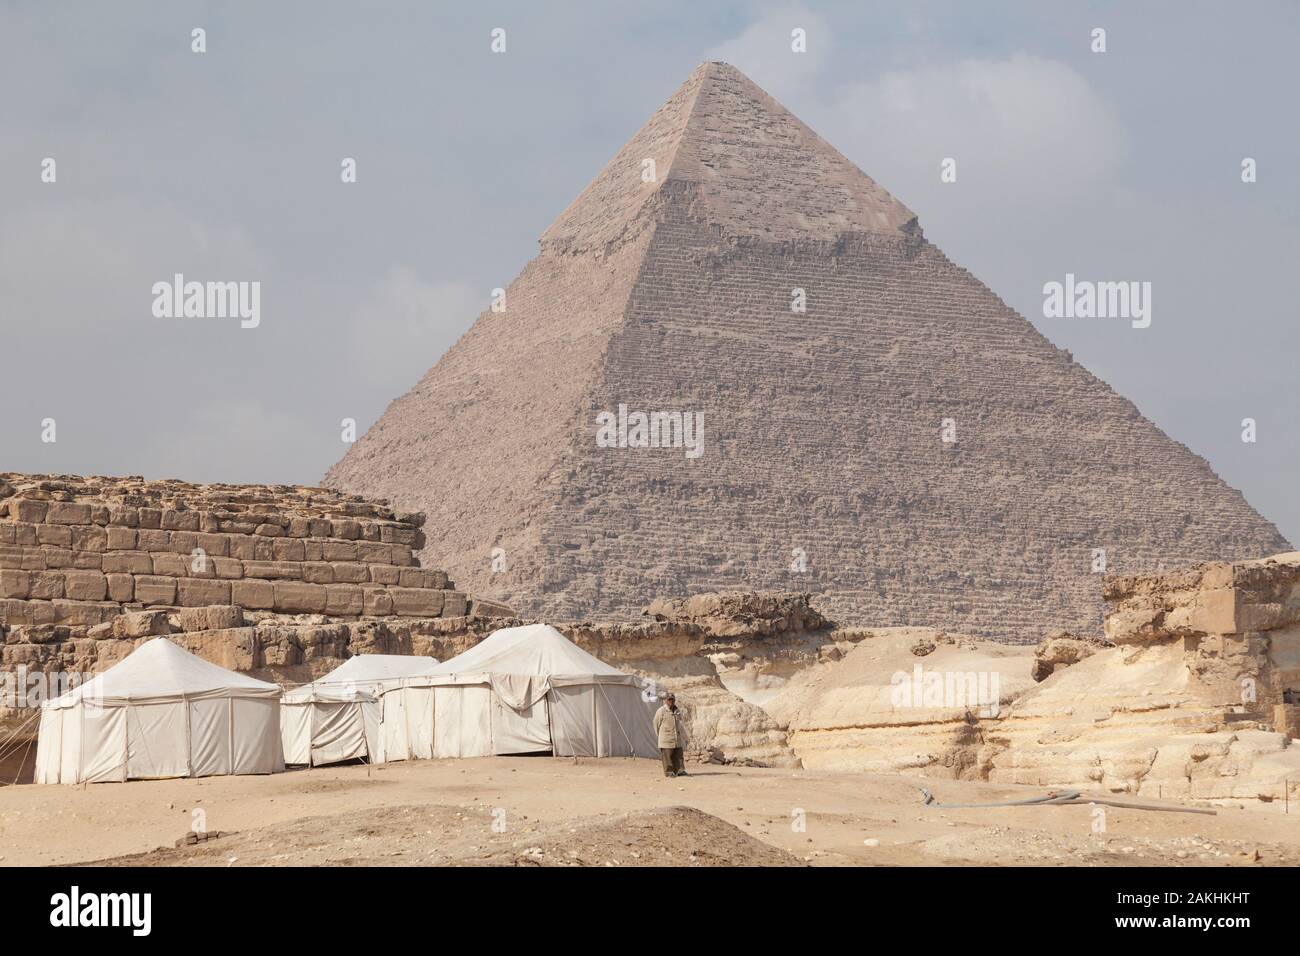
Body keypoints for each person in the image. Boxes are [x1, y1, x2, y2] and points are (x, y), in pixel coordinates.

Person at [653, 693, 687, 778]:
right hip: (666, 738)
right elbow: (655, 723)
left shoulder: (677, 710)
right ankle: (669, 772)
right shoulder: (661, 711)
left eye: (672, 699)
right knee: (667, 756)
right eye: (669, 699)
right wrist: (660, 735)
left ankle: (680, 771)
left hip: (676, 738)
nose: (671, 701)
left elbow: (680, 723)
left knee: (679, 755)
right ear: (666, 700)